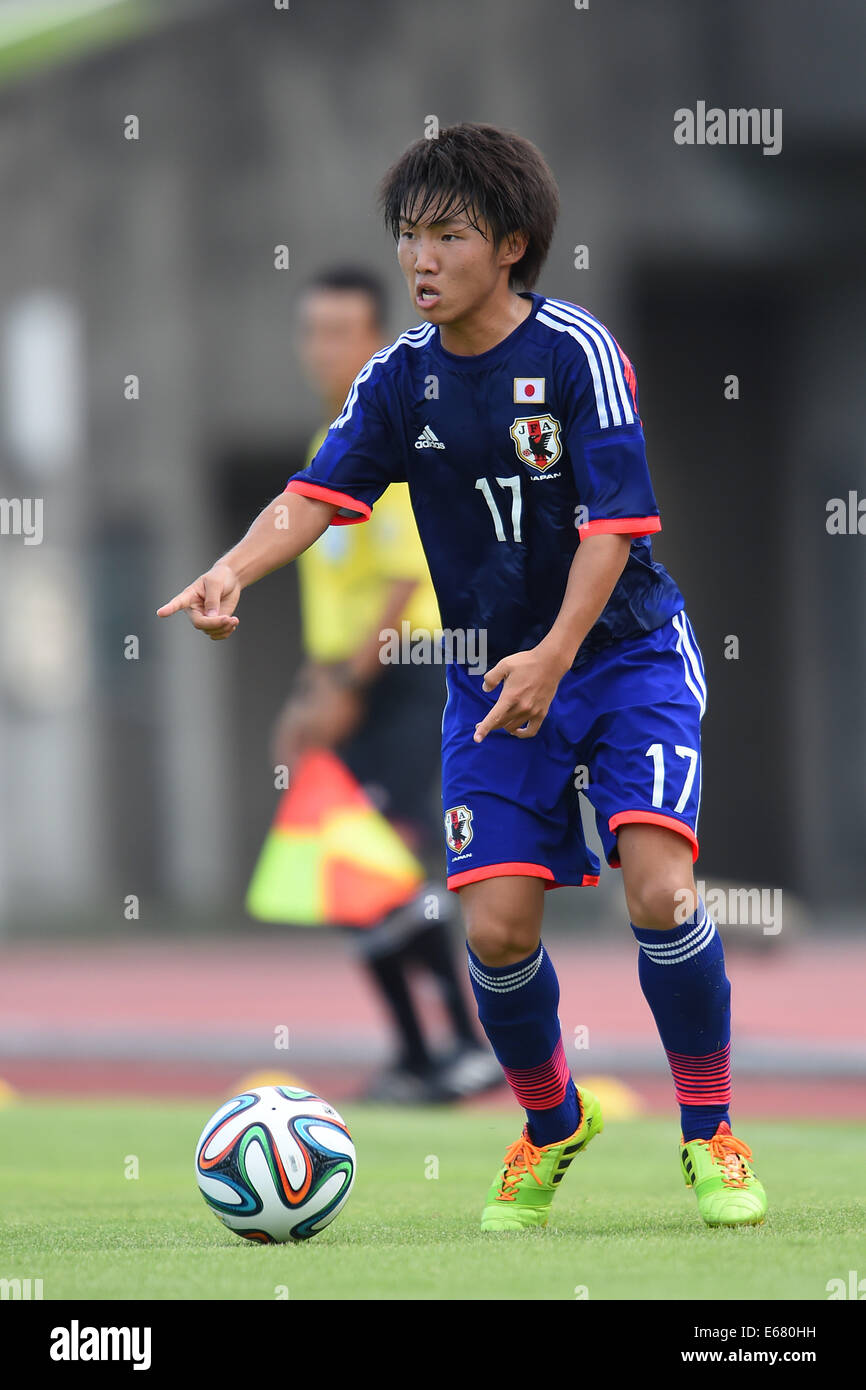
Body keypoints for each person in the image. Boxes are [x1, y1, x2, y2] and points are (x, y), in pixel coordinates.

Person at [159, 122, 768, 1232]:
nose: (418, 260)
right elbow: (315, 493)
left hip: (624, 654)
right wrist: (230, 568)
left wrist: (554, 652)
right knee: (492, 929)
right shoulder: (399, 381)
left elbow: (616, 528)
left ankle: (708, 1131)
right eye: (406, 235)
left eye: (445, 234)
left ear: (511, 244)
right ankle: (550, 1123)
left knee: (658, 887)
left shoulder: (576, 354)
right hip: (490, 682)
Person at [271, 266, 501, 1103]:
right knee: (350, 876)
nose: (323, 348)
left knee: (393, 867)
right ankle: (416, 1054)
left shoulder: (395, 432)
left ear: (375, 340)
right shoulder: (325, 444)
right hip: (347, 682)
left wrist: (344, 689)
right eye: (313, 331)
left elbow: (404, 584)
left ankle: (468, 1047)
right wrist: (310, 696)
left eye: (341, 331)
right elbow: (335, 598)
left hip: (402, 677)